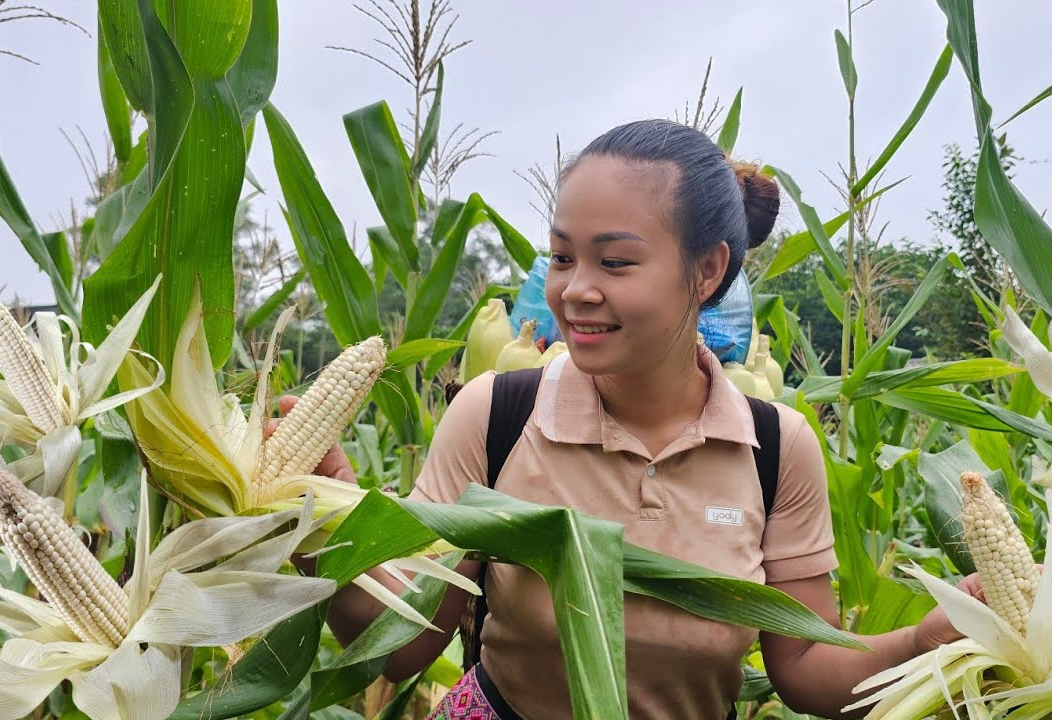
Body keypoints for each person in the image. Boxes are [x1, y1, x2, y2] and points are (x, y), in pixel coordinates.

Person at [286, 119, 984, 719]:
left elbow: (805, 671)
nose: (574, 290)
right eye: (561, 257)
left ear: (707, 271)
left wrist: (919, 645)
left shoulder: (776, 447)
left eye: (615, 262)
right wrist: (327, 530)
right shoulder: (498, 413)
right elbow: (399, 643)